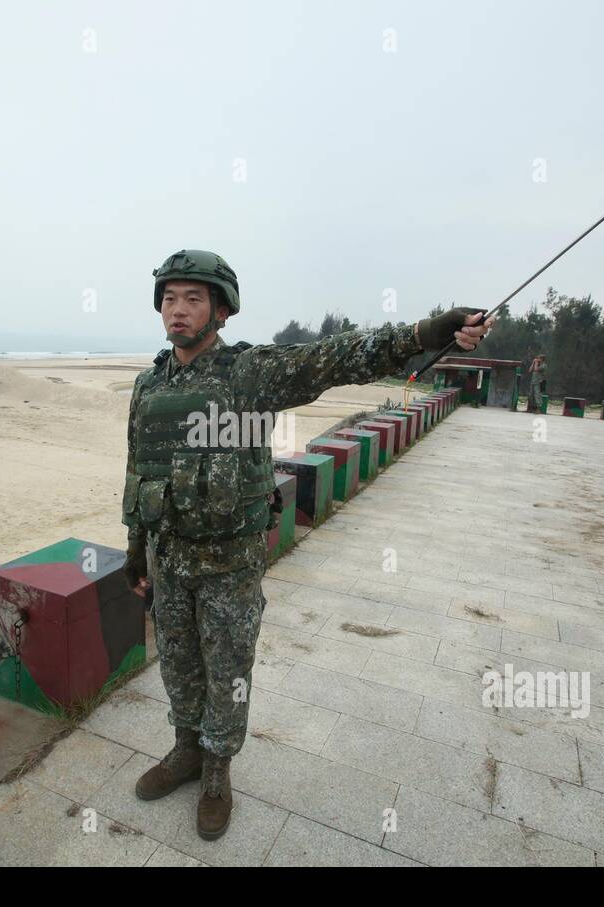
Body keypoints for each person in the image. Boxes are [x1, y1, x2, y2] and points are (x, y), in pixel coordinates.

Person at [121, 249, 489, 840]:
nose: (178, 310)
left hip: (228, 564)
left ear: (221, 310)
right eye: (169, 298)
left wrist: (425, 331)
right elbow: (139, 470)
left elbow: (333, 358)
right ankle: (185, 750)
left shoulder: (250, 374)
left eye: (193, 298)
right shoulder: (147, 385)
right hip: (169, 558)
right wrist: (136, 550)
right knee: (181, 667)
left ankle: (217, 769)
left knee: (229, 667)